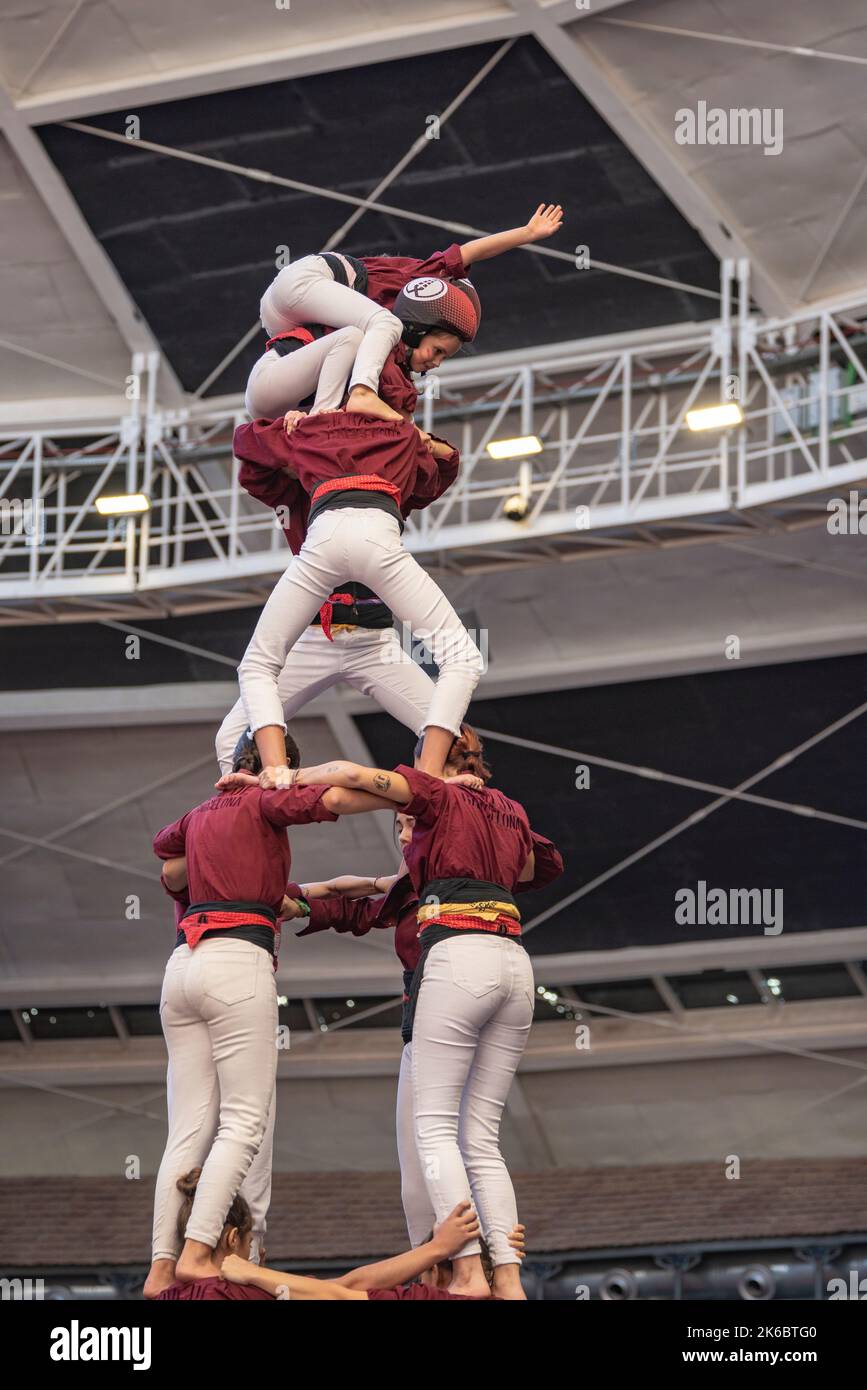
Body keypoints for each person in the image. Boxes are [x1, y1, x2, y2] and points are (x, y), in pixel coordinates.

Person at [220, 725, 563, 1299]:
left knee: (433, 1131)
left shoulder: (438, 796)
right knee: (479, 1137)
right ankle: (506, 1278)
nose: (408, 832)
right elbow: (538, 866)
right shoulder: (506, 811)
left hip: (456, 965)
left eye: (409, 824)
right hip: (513, 960)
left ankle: (469, 1271)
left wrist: (278, 778)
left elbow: (352, 778)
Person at [143, 729, 395, 1300]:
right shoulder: (265, 800)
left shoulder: (201, 814)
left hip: (183, 966)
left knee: (187, 1130)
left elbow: (167, 858)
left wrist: (381, 884)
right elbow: (333, 799)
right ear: (280, 769)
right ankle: (201, 1249)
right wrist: (405, 796)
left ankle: (162, 1264)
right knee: (245, 1121)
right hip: (236, 960)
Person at [213, 399, 458, 774]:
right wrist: (293, 429)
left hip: (374, 642)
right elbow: (249, 453)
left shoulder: (378, 487)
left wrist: (421, 437)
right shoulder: (291, 495)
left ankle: (442, 824)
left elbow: (439, 471)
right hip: (313, 640)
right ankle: (251, 820)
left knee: (451, 738)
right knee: (232, 737)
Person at [244, 205, 564, 421]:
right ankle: (336, 411)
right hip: (309, 280)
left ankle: (323, 415)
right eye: (438, 350)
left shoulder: (378, 338)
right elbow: (469, 253)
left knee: (354, 342)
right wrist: (528, 234)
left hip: (283, 319)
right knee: (383, 323)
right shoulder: (419, 285)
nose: (436, 362)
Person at [219, 1201, 526, 1301]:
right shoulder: (509, 1293)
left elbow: (343, 1290)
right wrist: (506, 1262)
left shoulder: (427, 1297)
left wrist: (252, 1273)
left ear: (433, 1270)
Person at [156, 1172, 274, 1301]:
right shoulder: (247, 1294)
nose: (251, 1253)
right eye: (249, 1243)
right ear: (233, 1238)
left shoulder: (165, 1294)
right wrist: (261, 1282)